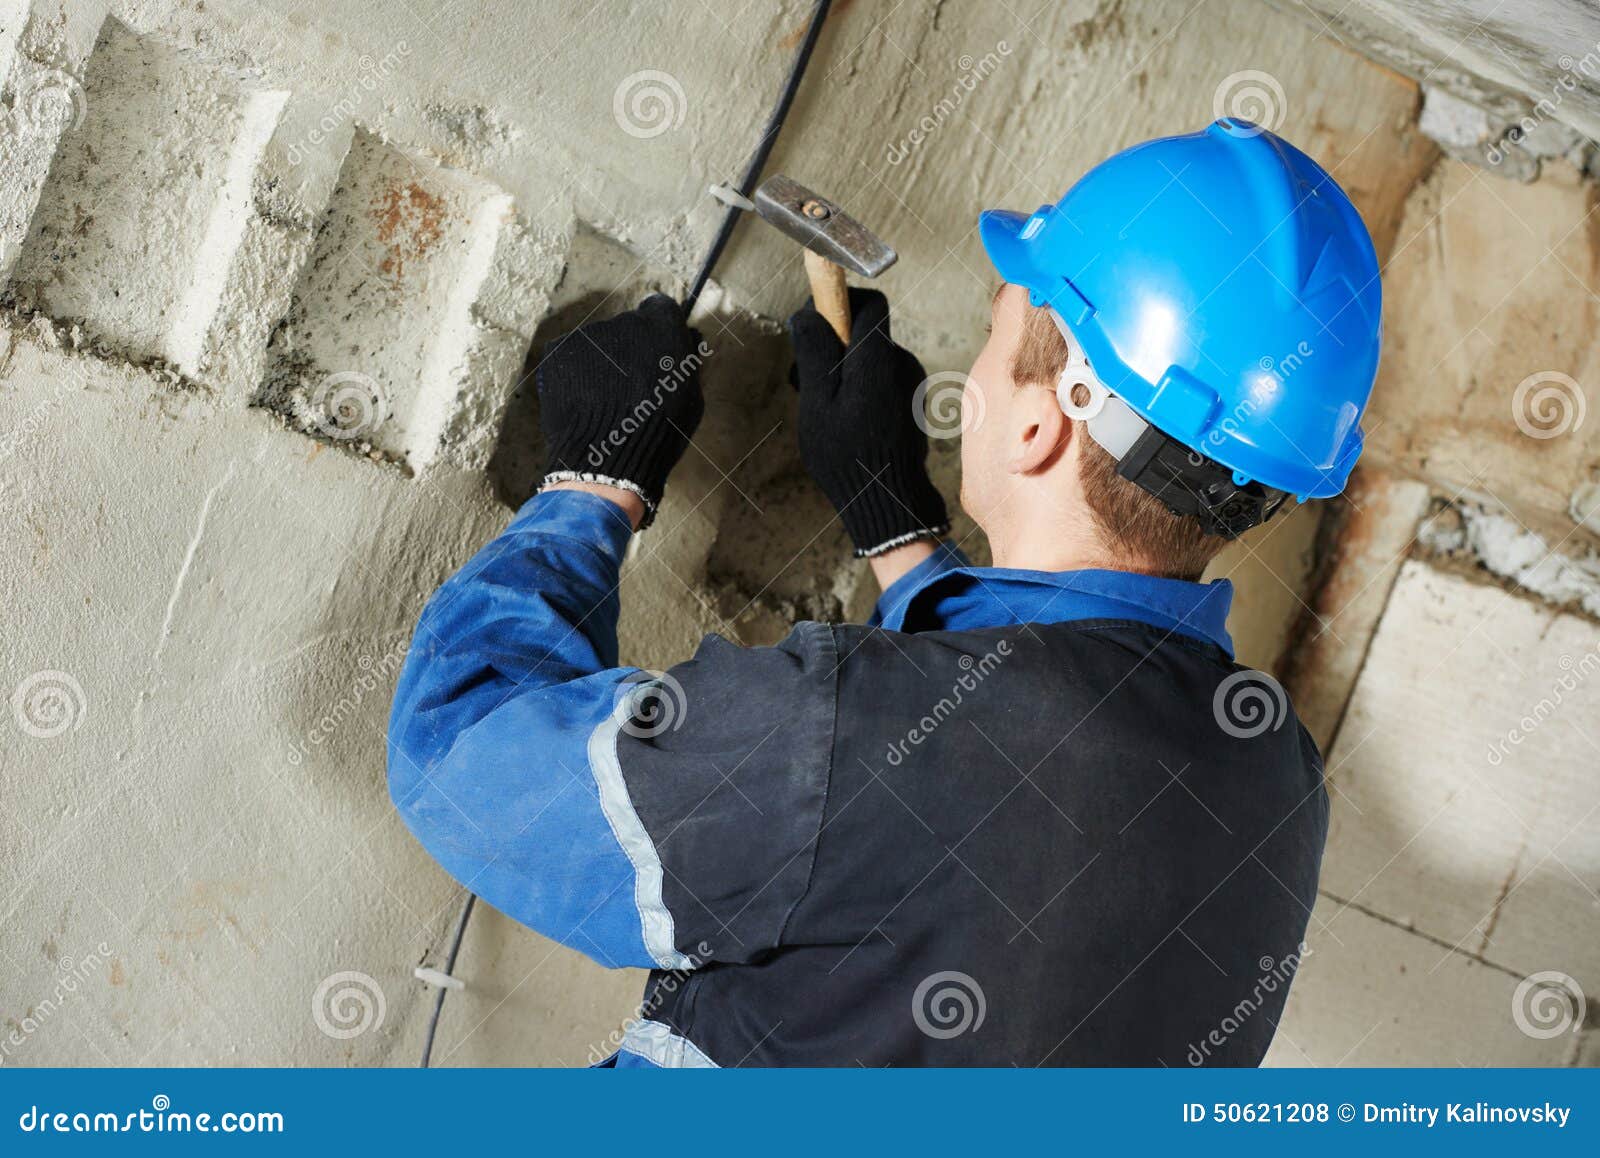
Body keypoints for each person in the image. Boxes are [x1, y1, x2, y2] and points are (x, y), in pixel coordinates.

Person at [386, 119, 1381, 1066]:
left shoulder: (843, 736)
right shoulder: (1270, 777)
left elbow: (463, 750)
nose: (973, 380)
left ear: (1040, 430)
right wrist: (898, 534)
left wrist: (592, 486)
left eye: (993, 344)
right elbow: (1018, 771)